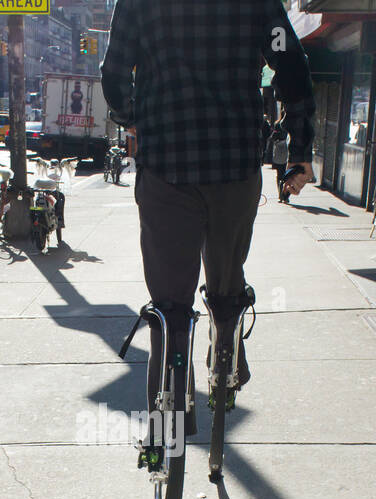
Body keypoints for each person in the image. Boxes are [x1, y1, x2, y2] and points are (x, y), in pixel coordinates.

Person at [103, 0, 314, 415]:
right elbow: (291, 66)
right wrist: (300, 149)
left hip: (165, 165)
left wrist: (134, 119)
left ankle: (166, 414)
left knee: (169, 302)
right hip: (234, 165)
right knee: (226, 278)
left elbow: (113, 72)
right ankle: (227, 339)